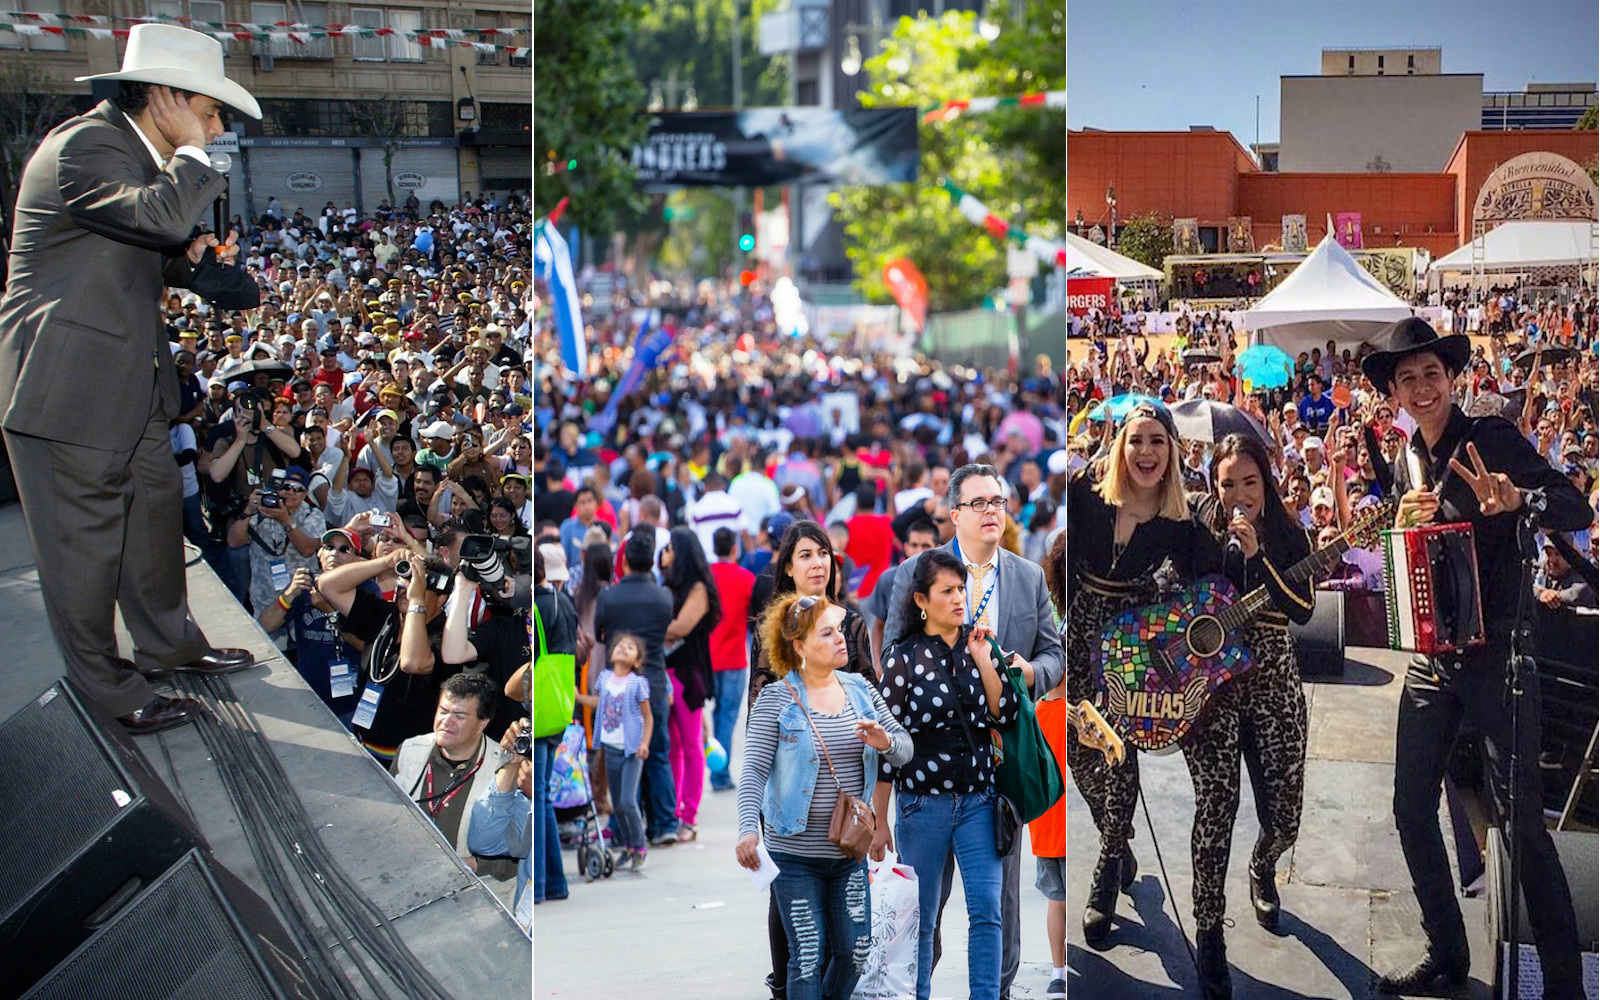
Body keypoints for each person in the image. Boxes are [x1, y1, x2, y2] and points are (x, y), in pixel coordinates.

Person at [0, 25, 261, 732]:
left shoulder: (136, 158)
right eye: (209, 111)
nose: (214, 127)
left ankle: (169, 642)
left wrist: (205, 269)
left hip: (134, 384)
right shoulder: (87, 146)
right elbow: (155, 217)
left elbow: (150, 247)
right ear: (166, 96)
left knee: (151, 519)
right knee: (84, 549)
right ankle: (107, 689)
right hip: (71, 386)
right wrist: (195, 157)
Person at [1364, 319, 1589, 999]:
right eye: (1409, 379)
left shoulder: (1488, 438)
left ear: (1451, 378)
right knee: (1409, 807)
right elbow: (1403, 552)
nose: (1423, 387)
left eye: (1432, 373)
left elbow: (1572, 502)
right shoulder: (1406, 457)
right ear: (1396, 392)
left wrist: (1521, 499)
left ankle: (1563, 987)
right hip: (1434, 659)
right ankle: (1447, 951)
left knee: (1520, 827)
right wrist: (1402, 521)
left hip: (1499, 661)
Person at [884, 463, 1066, 998]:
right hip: (930, 772)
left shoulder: (1028, 576)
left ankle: (999, 990)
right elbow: (894, 660)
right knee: (926, 903)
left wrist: (1028, 673)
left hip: (1001, 764)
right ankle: (918, 982)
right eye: (980, 503)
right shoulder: (917, 573)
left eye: (999, 502)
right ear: (955, 513)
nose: (993, 511)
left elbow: (1054, 654)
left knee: (998, 900)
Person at [1062, 405, 1223, 959]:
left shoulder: (1181, 519)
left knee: (1117, 751)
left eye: (1158, 441)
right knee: (1078, 750)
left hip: (1131, 638)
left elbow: (1211, 581)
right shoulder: (1083, 491)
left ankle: (1107, 870)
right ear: (1120, 445)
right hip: (1081, 624)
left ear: (1172, 449)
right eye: (1137, 441)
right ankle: (1119, 841)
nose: (1147, 452)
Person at [1188, 432, 1316, 995]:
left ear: (1265, 481)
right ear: (1213, 487)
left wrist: (1259, 557)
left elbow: (1304, 610)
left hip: (1273, 687)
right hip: (1212, 695)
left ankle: (1264, 864)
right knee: (1215, 811)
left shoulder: (1289, 534)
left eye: (1249, 482)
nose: (1238, 494)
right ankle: (1210, 930)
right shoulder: (1196, 532)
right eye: (1226, 484)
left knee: (1285, 814)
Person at [735, 594, 912, 1000]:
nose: (840, 639)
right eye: (826, 633)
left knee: (856, 951)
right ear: (799, 647)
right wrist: (747, 830)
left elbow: (904, 748)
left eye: (839, 630)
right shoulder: (776, 700)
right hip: (793, 854)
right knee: (808, 955)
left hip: (848, 854)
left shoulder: (861, 689)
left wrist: (885, 742)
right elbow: (754, 773)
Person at [875, 549, 1017, 1000]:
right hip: (922, 804)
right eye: (947, 591)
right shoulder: (902, 658)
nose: (959, 599)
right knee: (922, 918)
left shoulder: (981, 645)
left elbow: (1005, 711)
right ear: (921, 600)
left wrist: (982, 658)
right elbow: (885, 747)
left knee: (987, 911)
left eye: (962, 589)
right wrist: (880, 820)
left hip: (979, 800)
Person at [593, 530, 679, 845]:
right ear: (652, 562)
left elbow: (600, 634)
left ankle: (624, 827)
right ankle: (665, 823)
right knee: (657, 754)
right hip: (652, 683)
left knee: (620, 756)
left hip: (618, 688)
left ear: (625, 560)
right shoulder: (663, 596)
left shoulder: (608, 596)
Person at [391, 672, 514, 879]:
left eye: (459, 716)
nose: (447, 721)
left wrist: (475, 866)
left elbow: (516, 849)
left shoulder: (504, 769)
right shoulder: (409, 751)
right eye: (443, 711)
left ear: (483, 722)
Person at [660, 526, 722, 842]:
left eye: (669, 546)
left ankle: (688, 816)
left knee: (690, 744)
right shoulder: (669, 584)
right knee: (671, 746)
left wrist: (648, 624)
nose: (664, 552)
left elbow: (681, 627)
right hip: (665, 671)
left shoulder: (698, 588)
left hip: (687, 674)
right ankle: (671, 812)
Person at [591, 633, 654, 870]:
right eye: (620, 645)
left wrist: (644, 743)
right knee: (617, 803)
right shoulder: (605, 678)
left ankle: (639, 847)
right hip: (611, 749)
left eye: (631, 647)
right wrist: (577, 698)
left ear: (637, 661)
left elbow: (648, 718)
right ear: (611, 653)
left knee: (628, 800)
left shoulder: (637, 684)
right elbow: (600, 703)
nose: (624, 648)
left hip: (632, 751)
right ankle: (628, 846)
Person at [707, 527, 755, 792]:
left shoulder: (707, 577)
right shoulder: (746, 578)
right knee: (727, 717)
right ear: (735, 548)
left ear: (714, 548)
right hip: (735, 658)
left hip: (709, 657)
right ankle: (720, 774)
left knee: (714, 716)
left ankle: (715, 766)